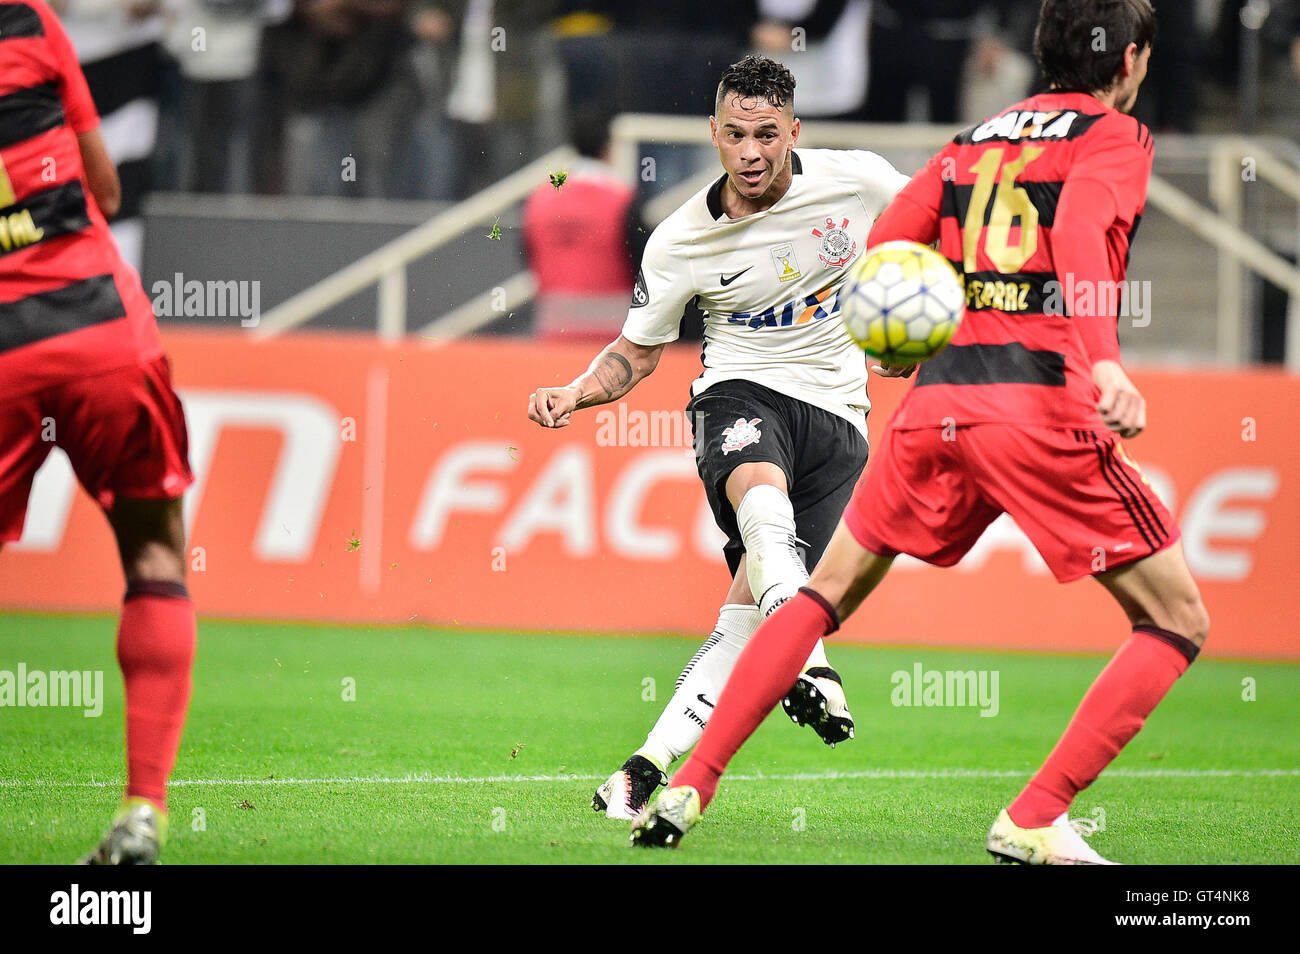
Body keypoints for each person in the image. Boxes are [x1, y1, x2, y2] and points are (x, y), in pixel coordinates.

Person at [634, 0, 1212, 865]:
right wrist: (1105, 364)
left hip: (935, 408)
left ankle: (696, 781)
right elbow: (1084, 234)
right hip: (1039, 406)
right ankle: (1035, 816)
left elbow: (891, 249)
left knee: (817, 595)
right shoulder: (1114, 139)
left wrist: (893, 341)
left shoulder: (977, 138)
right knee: (1177, 618)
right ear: (1129, 60)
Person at [527, 54, 909, 819]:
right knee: (763, 512)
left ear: (794, 130)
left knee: (747, 612)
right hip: (739, 393)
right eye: (735, 135)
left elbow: (937, 224)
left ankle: (640, 772)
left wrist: (913, 323)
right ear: (714, 134)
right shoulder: (679, 240)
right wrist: (576, 391)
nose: (752, 152)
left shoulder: (860, 183)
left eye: (768, 134)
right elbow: (636, 353)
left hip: (840, 420)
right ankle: (817, 664)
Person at [0, 0, 197, 864]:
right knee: (154, 556)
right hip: (98, 332)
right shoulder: (34, 24)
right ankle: (143, 810)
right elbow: (108, 192)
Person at [522, 105, 641, 343]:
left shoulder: (539, 199)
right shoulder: (624, 201)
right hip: (613, 344)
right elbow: (644, 265)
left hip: (554, 337)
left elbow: (528, 254)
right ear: (609, 149)